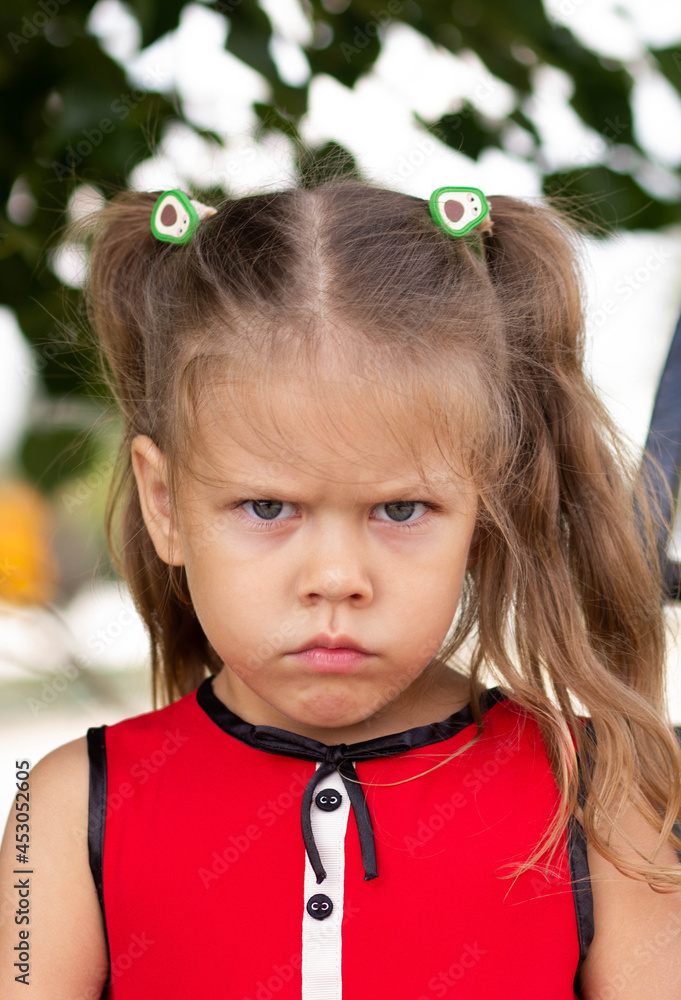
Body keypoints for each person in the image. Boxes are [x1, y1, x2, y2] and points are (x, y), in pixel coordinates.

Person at [1, 175, 680, 1000]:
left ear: (482, 509)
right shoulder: (64, 815)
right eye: (266, 507)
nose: (336, 579)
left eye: (401, 508)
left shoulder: (594, 797)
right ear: (164, 504)